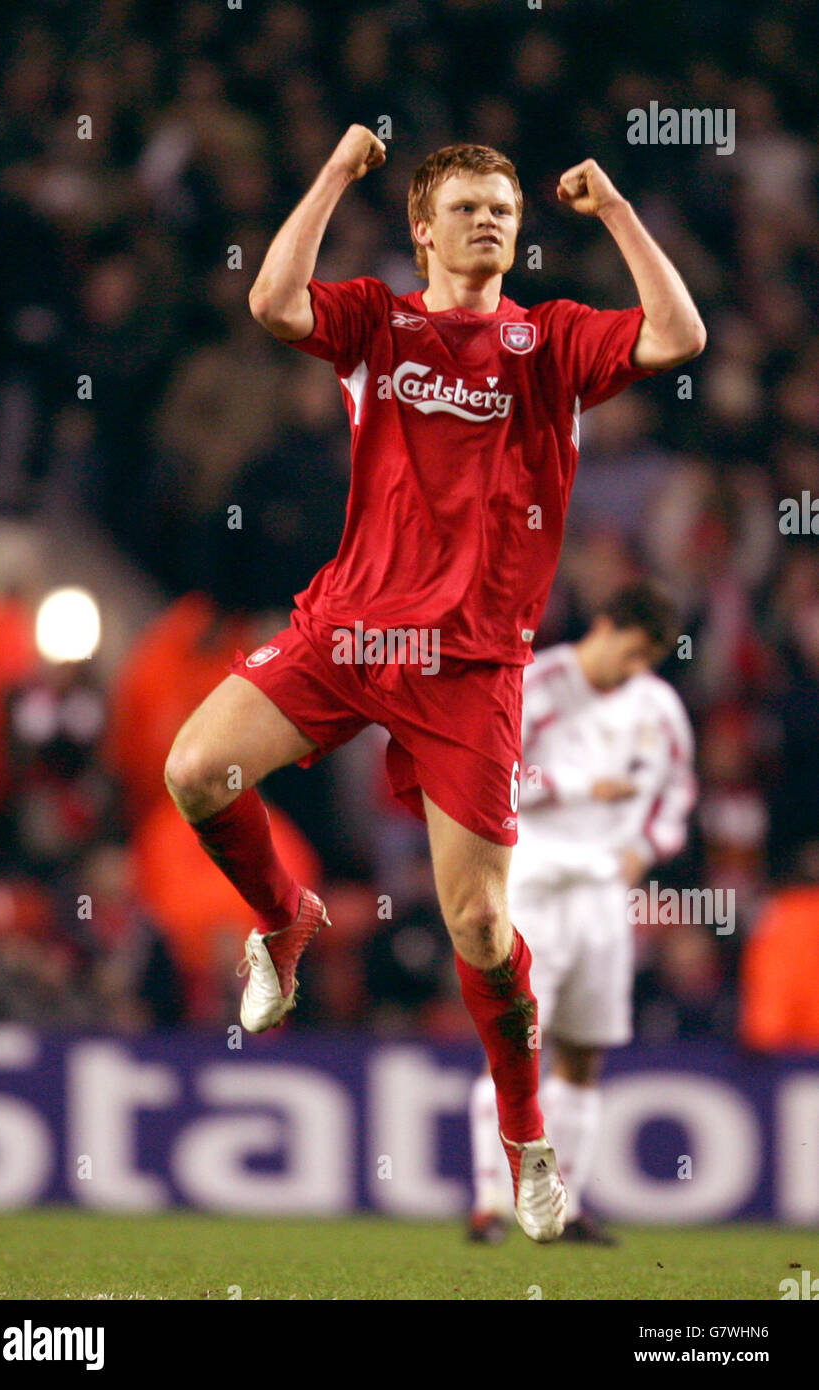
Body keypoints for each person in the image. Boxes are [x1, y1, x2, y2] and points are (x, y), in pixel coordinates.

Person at [164, 125, 705, 1242]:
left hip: (470, 665)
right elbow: (272, 303)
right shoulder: (378, 320)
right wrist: (331, 171)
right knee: (195, 771)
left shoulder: (547, 341)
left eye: (502, 208)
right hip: (352, 628)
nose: (488, 221)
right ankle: (283, 920)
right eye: (464, 206)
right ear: (423, 227)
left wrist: (610, 210)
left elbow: (677, 333)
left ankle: (525, 1144)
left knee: (476, 929)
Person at [468, 584, 696, 1244]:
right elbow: (494, 775)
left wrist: (645, 848)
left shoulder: (657, 706)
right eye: (632, 653)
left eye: (648, 659)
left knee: (586, 1051)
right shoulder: (539, 686)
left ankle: (564, 1206)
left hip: (602, 893)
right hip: (533, 882)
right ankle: (490, 1201)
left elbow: (678, 791)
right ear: (605, 625)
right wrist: (576, 787)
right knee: (516, 1045)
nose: (637, 670)